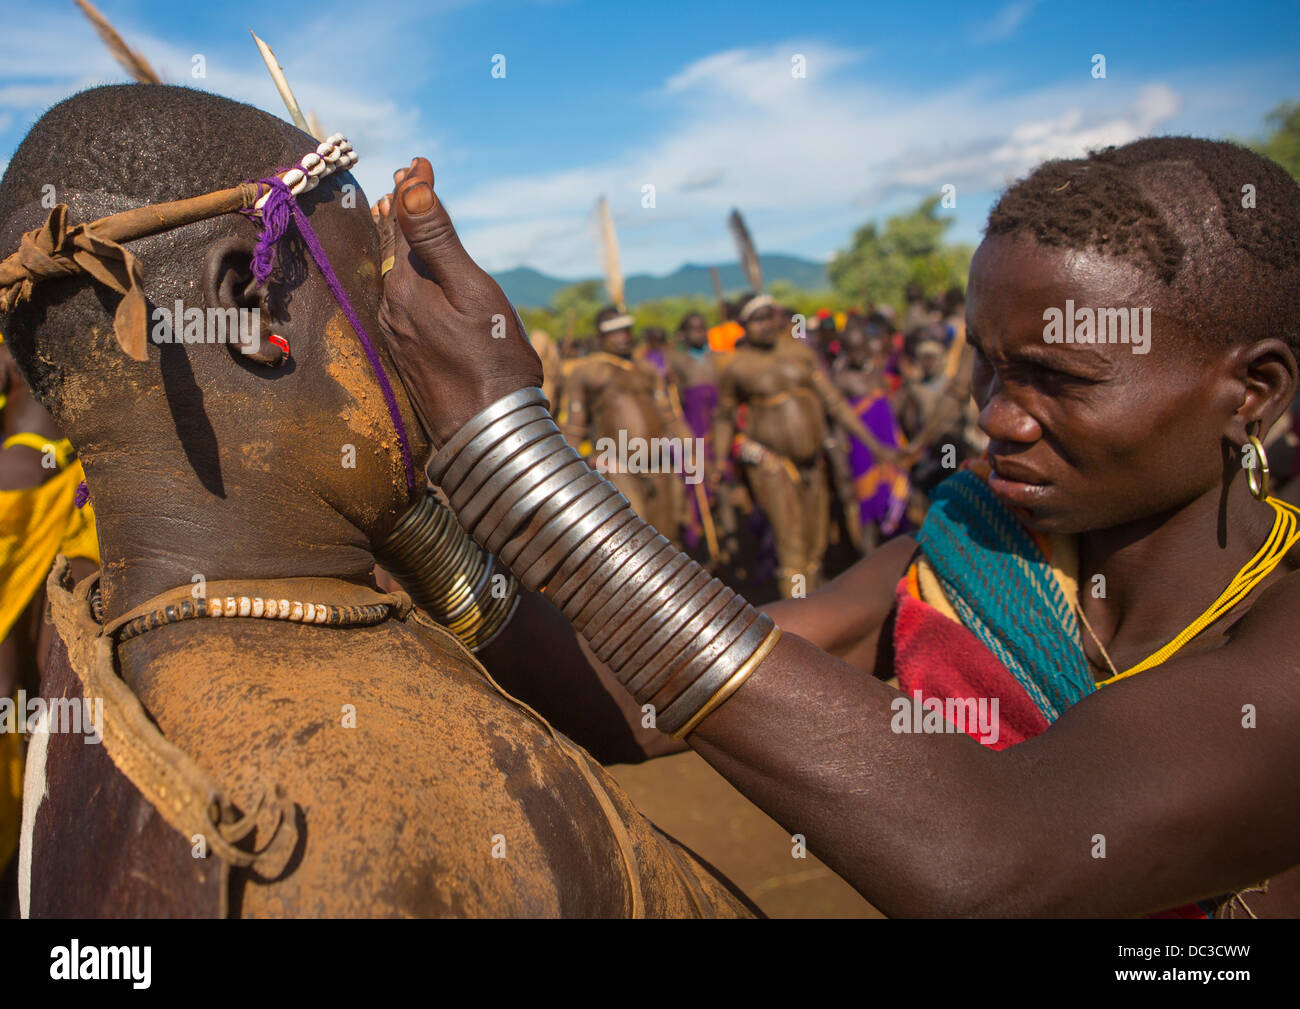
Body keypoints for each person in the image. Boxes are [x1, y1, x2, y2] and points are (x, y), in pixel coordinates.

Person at [378, 135, 1300, 916]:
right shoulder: (961, 561)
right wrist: (414, 521)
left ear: (1253, 391)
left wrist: (511, 452)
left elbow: (999, 857)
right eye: (988, 365)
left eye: (1058, 378)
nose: (996, 416)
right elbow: (633, 710)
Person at [0, 85, 753, 918]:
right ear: (253, 309)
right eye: (377, 281)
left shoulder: (93, 637)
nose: (409, 320)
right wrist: (512, 434)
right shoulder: (364, 826)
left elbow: (623, 706)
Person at [710, 293, 896, 597]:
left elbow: (835, 403)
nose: (766, 324)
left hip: (813, 461)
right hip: (773, 465)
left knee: (815, 542)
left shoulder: (800, 353)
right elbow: (723, 417)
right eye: (757, 320)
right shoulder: (736, 367)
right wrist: (719, 462)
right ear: (743, 325)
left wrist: (873, 444)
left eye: (769, 316)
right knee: (792, 547)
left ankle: (813, 605)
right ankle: (797, 613)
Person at [560, 307, 689, 542]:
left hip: (660, 466)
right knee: (636, 539)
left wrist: (692, 451)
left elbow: (669, 416)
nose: (623, 337)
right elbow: (574, 428)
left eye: (626, 330)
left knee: (668, 539)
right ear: (600, 336)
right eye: (614, 332)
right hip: (618, 468)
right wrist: (569, 472)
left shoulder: (647, 370)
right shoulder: (586, 372)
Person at [832, 326, 909, 548]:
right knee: (867, 510)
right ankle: (869, 560)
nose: (858, 354)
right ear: (845, 350)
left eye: (861, 348)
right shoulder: (841, 380)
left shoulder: (877, 372)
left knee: (897, 503)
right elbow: (838, 426)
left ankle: (900, 557)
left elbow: (889, 407)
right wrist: (841, 465)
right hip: (861, 451)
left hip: (889, 446)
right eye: (852, 349)